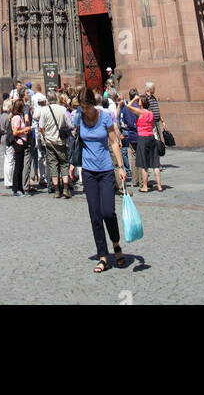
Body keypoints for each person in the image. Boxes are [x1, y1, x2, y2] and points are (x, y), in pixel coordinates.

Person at [72, 86, 126, 272]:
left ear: (92, 105)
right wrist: (72, 164)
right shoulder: (78, 117)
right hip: (88, 171)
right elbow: (76, 142)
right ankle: (103, 255)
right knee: (95, 214)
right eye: (81, 107)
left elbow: (113, 142)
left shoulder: (104, 117)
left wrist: (120, 167)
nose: (83, 110)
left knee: (108, 212)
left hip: (105, 170)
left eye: (86, 107)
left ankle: (116, 244)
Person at [127, 92, 163, 192]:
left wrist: (134, 99)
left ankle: (144, 186)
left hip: (142, 138)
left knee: (144, 164)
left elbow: (128, 106)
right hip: (151, 136)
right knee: (155, 163)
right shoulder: (150, 113)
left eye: (139, 101)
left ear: (141, 103)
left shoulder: (140, 112)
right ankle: (159, 186)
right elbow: (152, 126)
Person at [39, 91, 72, 198]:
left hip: (49, 141)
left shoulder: (44, 110)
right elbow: (70, 125)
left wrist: (45, 136)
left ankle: (57, 190)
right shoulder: (62, 109)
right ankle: (66, 189)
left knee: (53, 165)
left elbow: (41, 127)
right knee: (64, 164)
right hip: (61, 141)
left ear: (48, 99)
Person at [10, 97, 30, 196]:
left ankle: (19, 188)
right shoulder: (17, 118)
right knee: (18, 166)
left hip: (20, 143)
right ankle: (16, 189)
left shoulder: (17, 116)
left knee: (20, 166)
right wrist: (25, 129)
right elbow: (15, 132)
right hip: (19, 143)